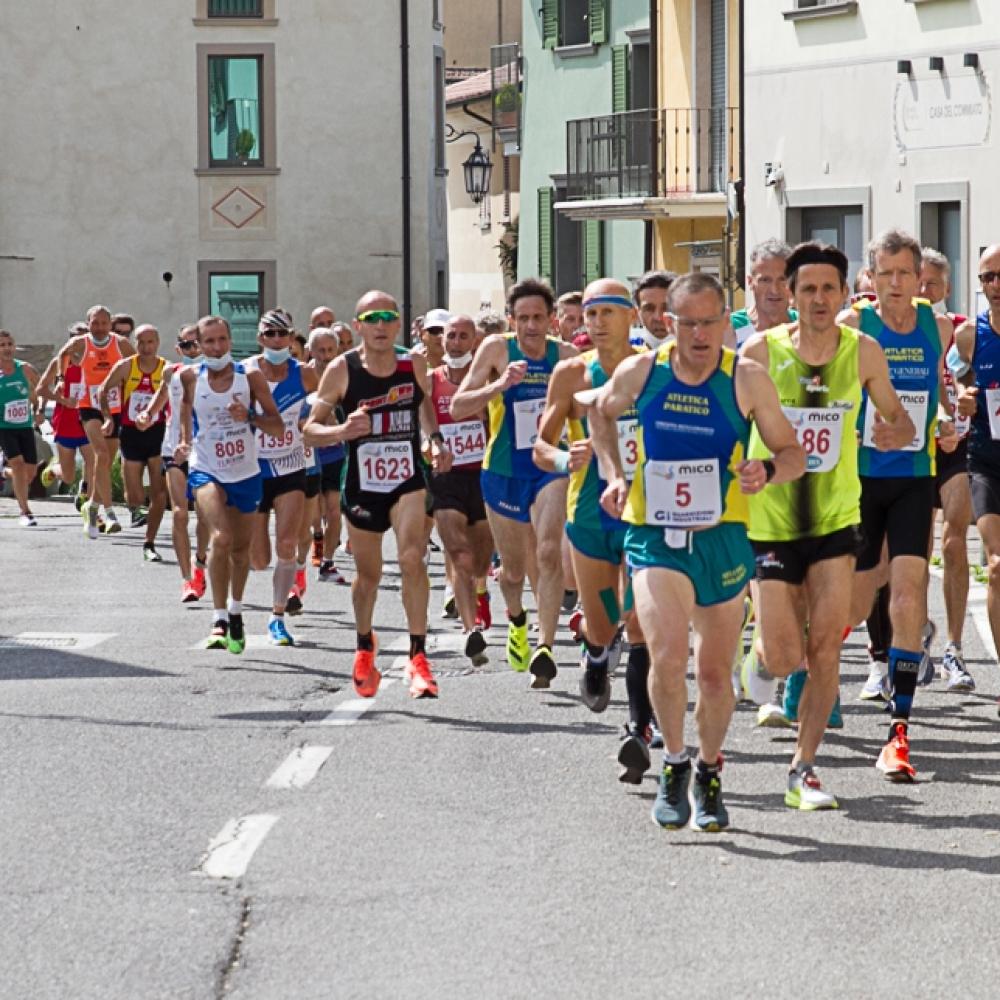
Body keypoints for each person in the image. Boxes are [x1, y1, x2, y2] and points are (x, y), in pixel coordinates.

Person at [589, 271, 805, 831]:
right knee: (666, 653)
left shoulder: (747, 379)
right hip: (654, 533)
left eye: (711, 322)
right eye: (688, 323)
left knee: (713, 676)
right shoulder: (643, 370)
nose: (701, 334)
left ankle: (709, 769)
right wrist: (613, 474)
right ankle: (674, 762)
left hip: (722, 535)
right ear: (668, 322)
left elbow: (794, 454)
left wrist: (767, 469)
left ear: (722, 322)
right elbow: (598, 413)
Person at [741, 242, 915, 809]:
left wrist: (895, 428)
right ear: (789, 297)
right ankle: (761, 653)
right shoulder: (758, 354)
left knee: (827, 645)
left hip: (838, 518)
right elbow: (729, 428)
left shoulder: (862, 352)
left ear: (844, 294)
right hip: (771, 520)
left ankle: (803, 769)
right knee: (785, 656)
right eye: (807, 289)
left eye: (828, 288)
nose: (818, 298)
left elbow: (897, 415)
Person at [841, 229, 956, 781]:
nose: (894, 284)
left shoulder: (938, 326)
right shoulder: (854, 326)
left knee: (909, 592)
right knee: (856, 599)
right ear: (871, 278)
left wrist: (950, 418)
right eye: (884, 274)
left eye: (904, 274)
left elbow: (941, 389)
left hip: (914, 476)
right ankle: (802, 669)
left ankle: (900, 727)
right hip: (860, 480)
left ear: (920, 279)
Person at [534, 279, 656, 783]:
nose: (599, 321)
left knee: (639, 618)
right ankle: (596, 654)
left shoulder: (654, 369)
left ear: (632, 317)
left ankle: (638, 728)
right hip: (589, 512)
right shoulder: (570, 374)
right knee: (605, 621)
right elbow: (540, 446)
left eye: (609, 311)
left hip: (645, 509)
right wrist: (567, 455)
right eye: (591, 313)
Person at [304, 290, 453, 699]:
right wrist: (341, 432)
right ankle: (364, 642)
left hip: (408, 476)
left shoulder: (413, 363)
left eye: (389, 317)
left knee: (411, 559)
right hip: (362, 484)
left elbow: (425, 407)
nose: (382, 325)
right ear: (358, 327)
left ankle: (418, 657)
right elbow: (309, 430)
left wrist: (434, 439)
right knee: (368, 577)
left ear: (399, 324)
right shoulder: (341, 369)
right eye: (372, 318)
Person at [451, 278, 578, 688]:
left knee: (548, 553)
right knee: (512, 570)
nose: (530, 326)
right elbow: (457, 407)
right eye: (522, 318)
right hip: (503, 470)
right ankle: (517, 619)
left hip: (549, 468)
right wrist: (499, 384)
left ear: (552, 320)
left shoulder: (568, 357)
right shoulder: (495, 351)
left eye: (539, 317)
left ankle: (545, 646)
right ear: (511, 320)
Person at [175, 315, 283, 652]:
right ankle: (218, 618)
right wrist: (184, 442)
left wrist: (248, 417)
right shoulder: (190, 377)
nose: (216, 347)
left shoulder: (249, 377)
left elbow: (276, 426)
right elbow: (185, 412)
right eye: (209, 342)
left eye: (221, 340)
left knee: (241, 551)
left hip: (245, 471)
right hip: (206, 467)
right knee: (220, 537)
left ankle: (236, 610)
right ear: (199, 346)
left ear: (231, 341)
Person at [246, 309, 319, 645]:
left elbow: (325, 404)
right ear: (260, 338)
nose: (277, 340)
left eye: (283, 334)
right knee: (258, 559)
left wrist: (312, 423)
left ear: (292, 338)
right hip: (254, 469)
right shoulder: (245, 373)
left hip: (291, 465)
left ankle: (277, 617)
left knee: (287, 543)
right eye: (270, 334)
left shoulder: (304, 374)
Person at [920, 247, 974, 691]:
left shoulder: (962, 330)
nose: (924, 291)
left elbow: (972, 377)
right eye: (918, 282)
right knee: (914, 551)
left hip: (958, 445)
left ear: (947, 289)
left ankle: (955, 648)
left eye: (932, 284)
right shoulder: (894, 332)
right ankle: (917, 639)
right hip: (915, 447)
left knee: (954, 543)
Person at [428, 314, 494, 664]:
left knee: (481, 558)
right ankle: (471, 631)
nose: (454, 342)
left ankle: (480, 591)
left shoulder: (486, 380)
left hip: (484, 475)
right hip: (446, 476)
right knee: (459, 553)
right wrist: (432, 441)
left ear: (474, 343)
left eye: (462, 336)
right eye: (450, 335)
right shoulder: (431, 381)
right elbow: (423, 417)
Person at [955, 243, 1000, 716]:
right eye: (987, 278)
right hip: (986, 459)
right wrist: (965, 398)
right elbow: (957, 387)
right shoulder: (970, 335)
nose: (996, 286)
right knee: (997, 563)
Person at [137, 324, 210, 601]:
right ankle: (188, 580)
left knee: (203, 516)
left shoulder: (216, 373)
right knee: (180, 512)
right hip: (173, 448)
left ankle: (200, 562)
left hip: (204, 449)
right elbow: (161, 400)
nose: (193, 349)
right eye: (187, 345)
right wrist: (147, 415)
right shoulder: (172, 372)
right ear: (179, 348)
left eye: (197, 344)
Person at [57, 305, 135, 537]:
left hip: (114, 405)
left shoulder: (119, 343)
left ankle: (92, 506)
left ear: (109, 324)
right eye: (95, 323)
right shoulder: (81, 343)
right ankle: (109, 513)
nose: (100, 328)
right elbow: (63, 354)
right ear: (88, 323)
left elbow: (136, 361)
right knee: (100, 454)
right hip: (88, 405)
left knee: (106, 461)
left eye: (104, 323)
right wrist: (62, 379)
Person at [100, 324, 168, 560]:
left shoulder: (166, 368)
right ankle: (135, 510)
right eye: (141, 342)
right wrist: (108, 417)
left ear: (157, 343)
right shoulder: (126, 366)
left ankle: (149, 542)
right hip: (130, 433)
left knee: (159, 492)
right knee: (134, 493)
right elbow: (103, 390)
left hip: (158, 433)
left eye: (151, 342)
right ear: (135, 343)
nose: (146, 347)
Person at [305, 326, 349, 583]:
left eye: (330, 349)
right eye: (320, 350)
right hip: (308, 454)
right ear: (311, 351)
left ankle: (328, 561)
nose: (326, 355)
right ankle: (316, 536)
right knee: (314, 508)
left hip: (334, 453)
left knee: (334, 509)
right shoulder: (302, 375)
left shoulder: (343, 376)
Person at [37, 323, 95, 506]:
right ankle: (54, 469)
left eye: (85, 337)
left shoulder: (94, 360)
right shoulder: (59, 362)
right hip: (65, 422)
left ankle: (85, 494)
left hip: (88, 418)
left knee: (92, 460)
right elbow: (40, 389)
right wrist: (61, 400)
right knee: (68, 476)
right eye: (76, 338)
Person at [0, 330, 41, 526]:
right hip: (3, 427)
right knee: (17, 464)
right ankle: (25, 512)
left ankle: (2, 471)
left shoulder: (25, 369)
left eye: (10, 344)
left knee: (29, 473)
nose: (7, 348)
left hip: (25, 426)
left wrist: (39, 410)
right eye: (2, 345)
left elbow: (38, 392)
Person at [731, 239, 798, 348]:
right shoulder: (730, 328)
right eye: (765, 280)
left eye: (782, 280)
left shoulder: (805, 326)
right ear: (750, 282)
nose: (774, 290)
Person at [630, 270, 676, 350]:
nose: (658, 317)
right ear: (636, 313)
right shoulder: (623, 349)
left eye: (667, 308)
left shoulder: (699, 348)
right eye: (649, 309)